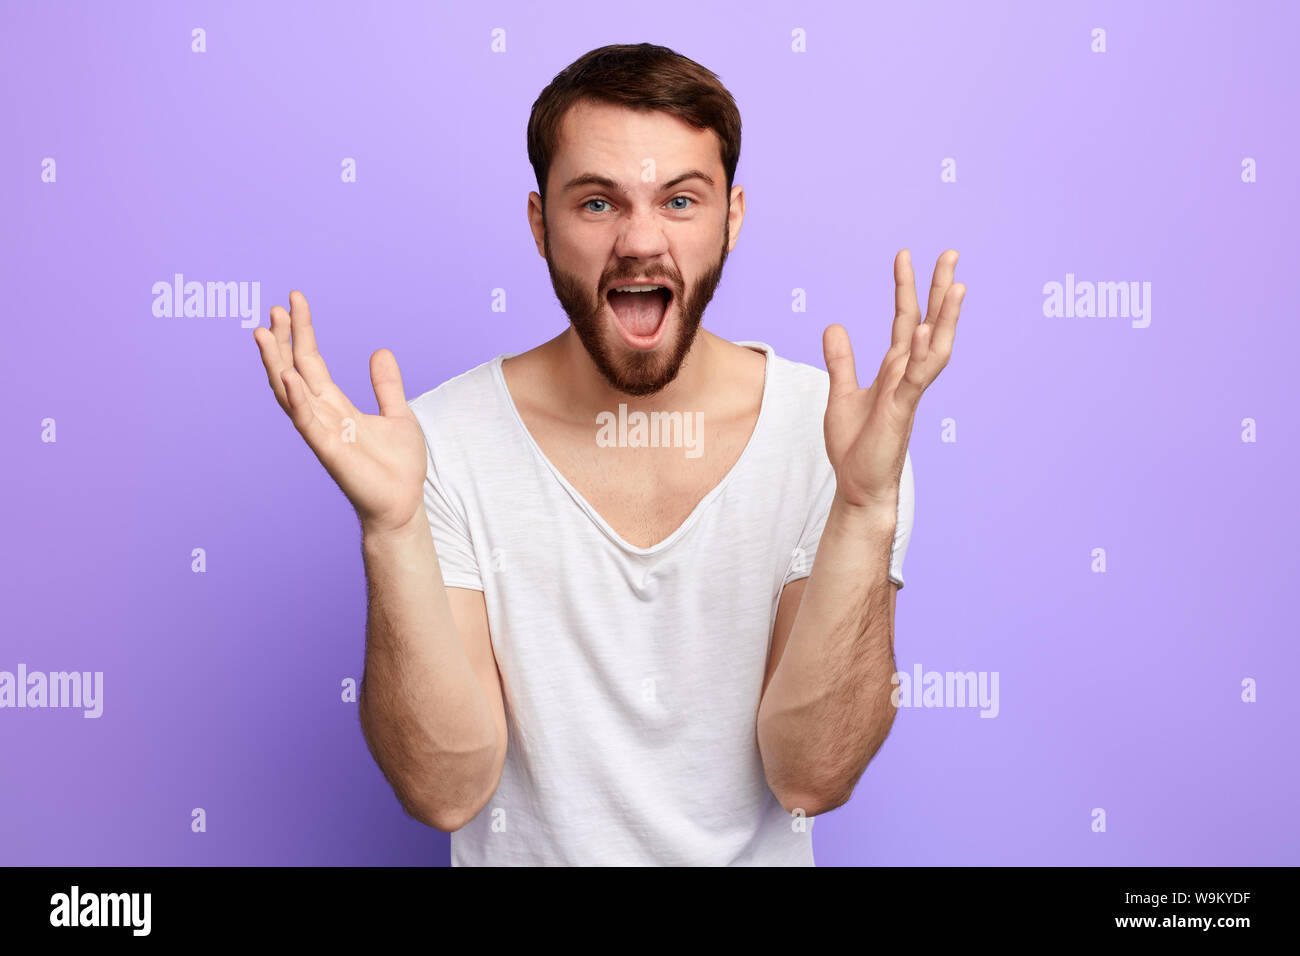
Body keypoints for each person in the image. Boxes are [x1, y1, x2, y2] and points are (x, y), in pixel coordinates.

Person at [252, 43, 964, 866]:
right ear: (539, 222)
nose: (639, 241)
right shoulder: (437, 445)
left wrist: (865, 510)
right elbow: (445, 791)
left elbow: (812, 775)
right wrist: (392, 528)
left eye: (680, 201)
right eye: (597, 203)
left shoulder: (839, 439)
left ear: (732, 218)